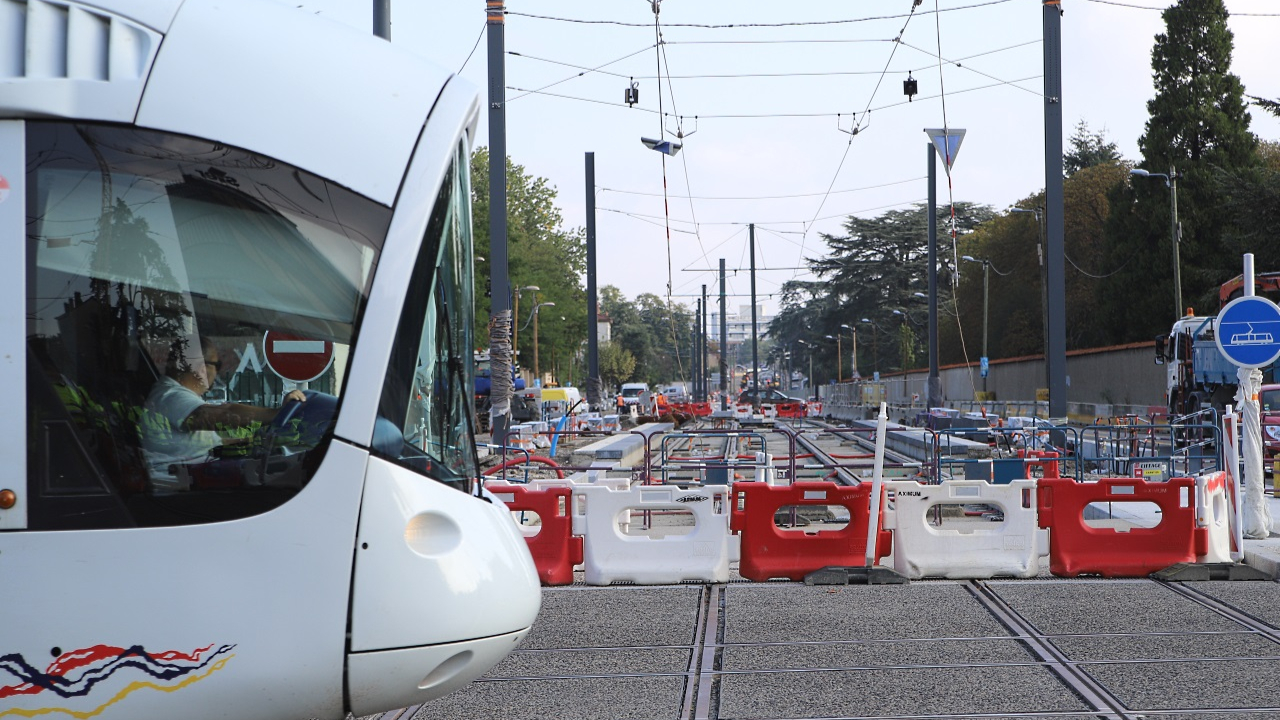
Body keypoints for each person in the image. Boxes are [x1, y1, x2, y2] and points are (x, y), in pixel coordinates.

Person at [140, 336, 306, 489]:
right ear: (200, 367)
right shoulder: (171, 397)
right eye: (216, 365)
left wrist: (252, 440)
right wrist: (277, 414)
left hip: (191, 479)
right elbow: (219, 414)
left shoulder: (172, 396)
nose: (217, 372)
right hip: (181, 488)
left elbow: (203, 442)